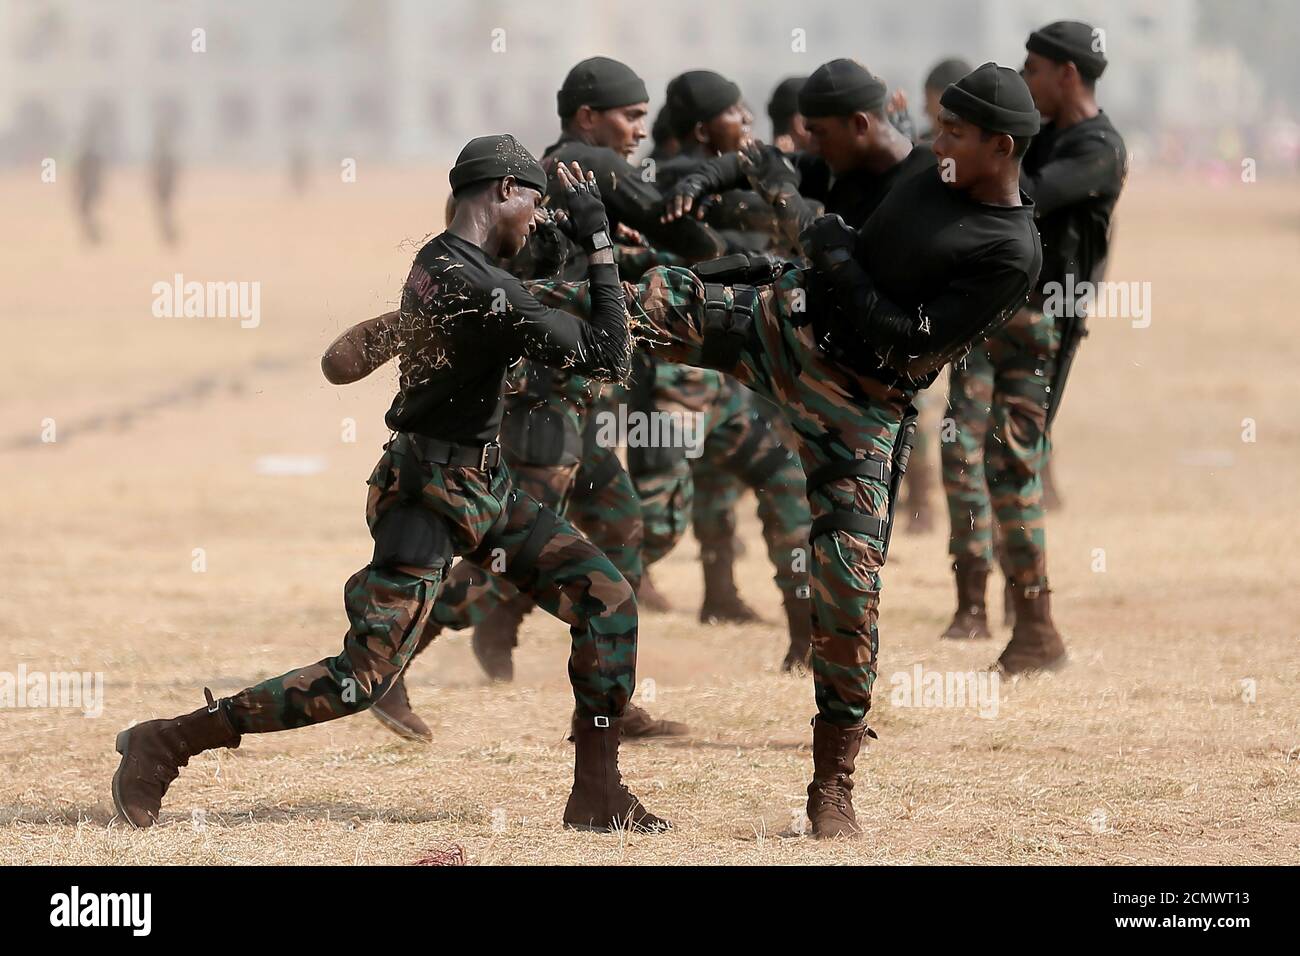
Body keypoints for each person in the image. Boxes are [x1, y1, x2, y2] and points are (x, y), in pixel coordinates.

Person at [531, 63, 1044, 837]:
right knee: (632, 308)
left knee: (847, 591)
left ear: (1001, 147)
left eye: (958, 135)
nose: (939, 143)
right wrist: (723, 181)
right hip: (786, 324)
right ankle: (454, 313)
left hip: (862, 407)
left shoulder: (1010, 251)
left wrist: (830, 244)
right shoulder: (917, 170)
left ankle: (831, 786)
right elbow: (793, 162)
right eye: (940, 128)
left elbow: (906, 344)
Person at [111, 136, 669, 834]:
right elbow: (610, 353)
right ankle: (167, 740)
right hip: (429, 499)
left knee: (608, 601)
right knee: (359, 679)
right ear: (501, 191)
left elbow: (486, 313)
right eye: (533, 199)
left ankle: (597, 794)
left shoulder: (440, 260)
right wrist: (596, 239)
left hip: (481, 483)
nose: (537, 215)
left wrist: (554, 247)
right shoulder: (484, 288)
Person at [939, 21, 1126, 675]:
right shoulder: (1045, 135)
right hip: (998, 318)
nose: (1027, 80)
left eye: (1033, 69)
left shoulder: (1097, 147)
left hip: (1044, 329)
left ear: (1066, 74)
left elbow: (1029, 196)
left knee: (1012, 463)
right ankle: (996, 612)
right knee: (976, 454)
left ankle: (1036, 628)